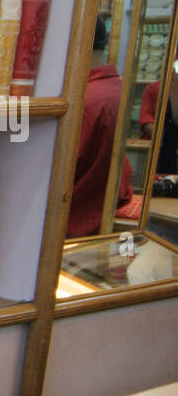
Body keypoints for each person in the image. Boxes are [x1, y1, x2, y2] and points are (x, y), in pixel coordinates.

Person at [67, 15, 132, 238]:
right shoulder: (115, 89)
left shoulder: (85, 101)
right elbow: (122, 186)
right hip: (95, 227)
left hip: (69, 230)